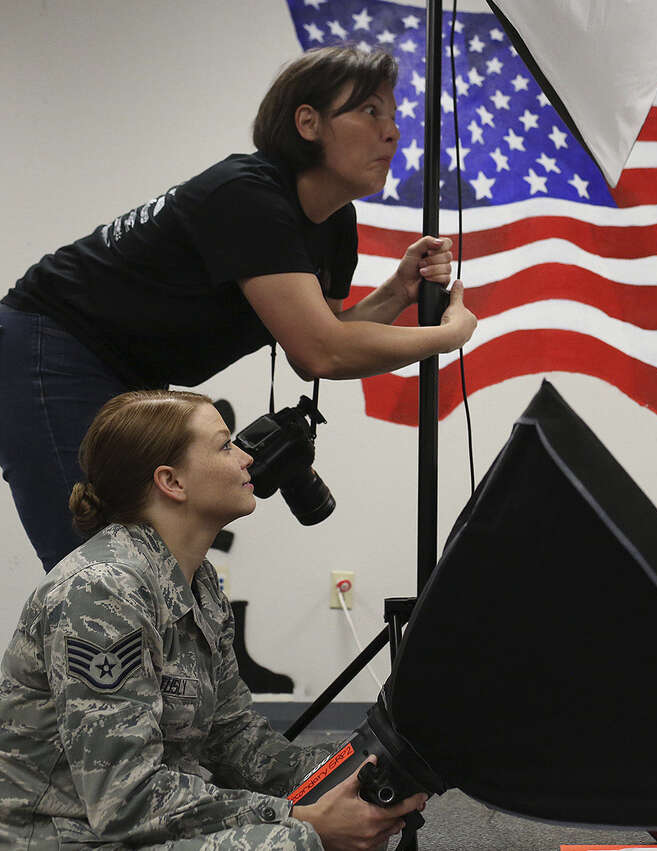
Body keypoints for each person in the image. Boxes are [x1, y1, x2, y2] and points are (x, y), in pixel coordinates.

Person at [0, 45, 477, 572]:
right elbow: (322, 353)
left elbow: (321, 337)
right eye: (370, 111)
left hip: (129, 374)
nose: (393, 132)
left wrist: (396, 293)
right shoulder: (248, 194)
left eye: (393, 115)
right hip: (50, 343)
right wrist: (448, 334)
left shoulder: (335, 223)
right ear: (308, 122)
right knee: (95, 567)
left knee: (150, 561)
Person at [0, 389, 426, 849]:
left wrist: (357, 768)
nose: (246, 458)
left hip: (133, 825)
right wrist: (302, 822)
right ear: (172, 482)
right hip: (62, 837)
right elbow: (127, 800)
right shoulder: (102, 591)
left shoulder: (196, 582)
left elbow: (233, 737)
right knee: (294, 844)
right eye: (225, 446)